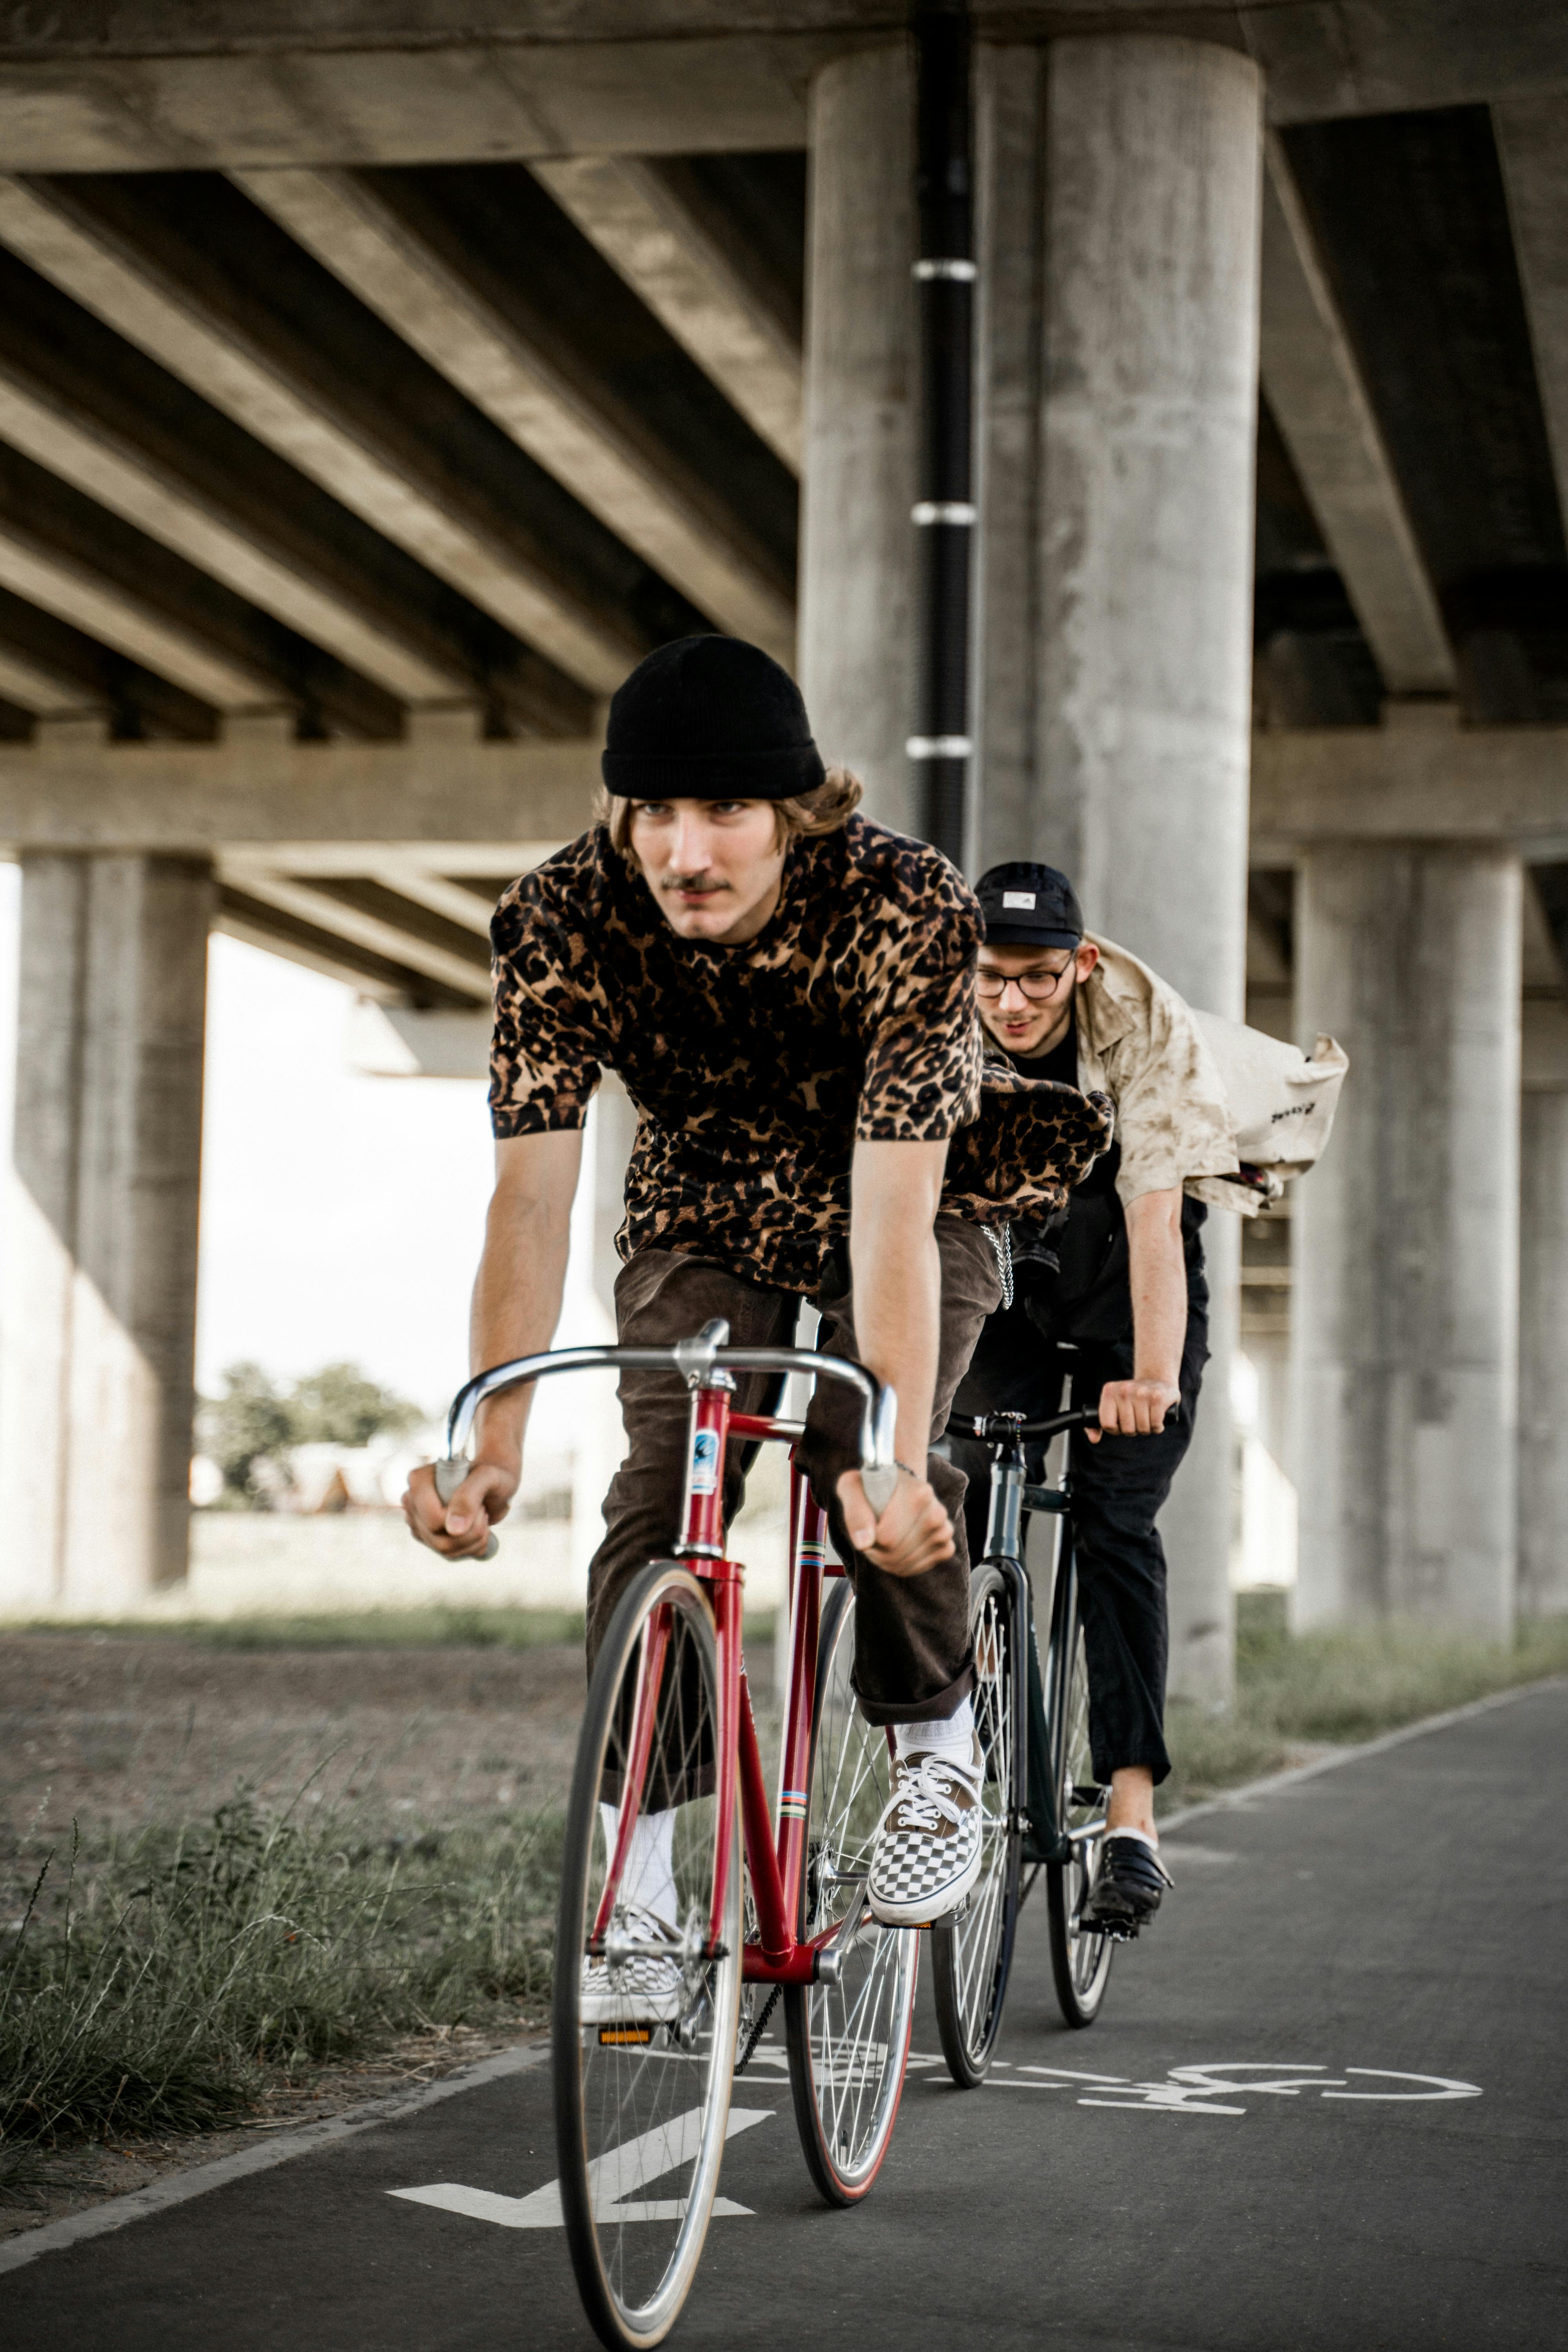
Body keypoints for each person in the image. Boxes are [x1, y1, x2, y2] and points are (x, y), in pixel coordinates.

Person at [404, 638, 1109, 1980]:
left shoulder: (905, 904)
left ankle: (937, 1749)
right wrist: (487, 1439)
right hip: (702, 1197)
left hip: (913, 1188)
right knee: (661, 1491)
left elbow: (893, 1216)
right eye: (655, 813)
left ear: (795, 813)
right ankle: (649, 1880)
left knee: (867, 1466)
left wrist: (896, 1450)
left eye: (725, 811)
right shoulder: (557, 917)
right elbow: (531, 1201)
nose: (686, 852)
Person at [949, 861, 1237, 1936]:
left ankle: (1130, 1822)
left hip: (1131, 1292)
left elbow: (1159, 1223)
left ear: (1082, 964)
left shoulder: (1143, 1031)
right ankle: (966, 1713)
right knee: (951, 1477)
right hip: (1013, 1286)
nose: (1012, 1002)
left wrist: (1153, 1378)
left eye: (1035, 978)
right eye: (991, 978)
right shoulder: (935, 1019)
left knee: (1116, 1524)